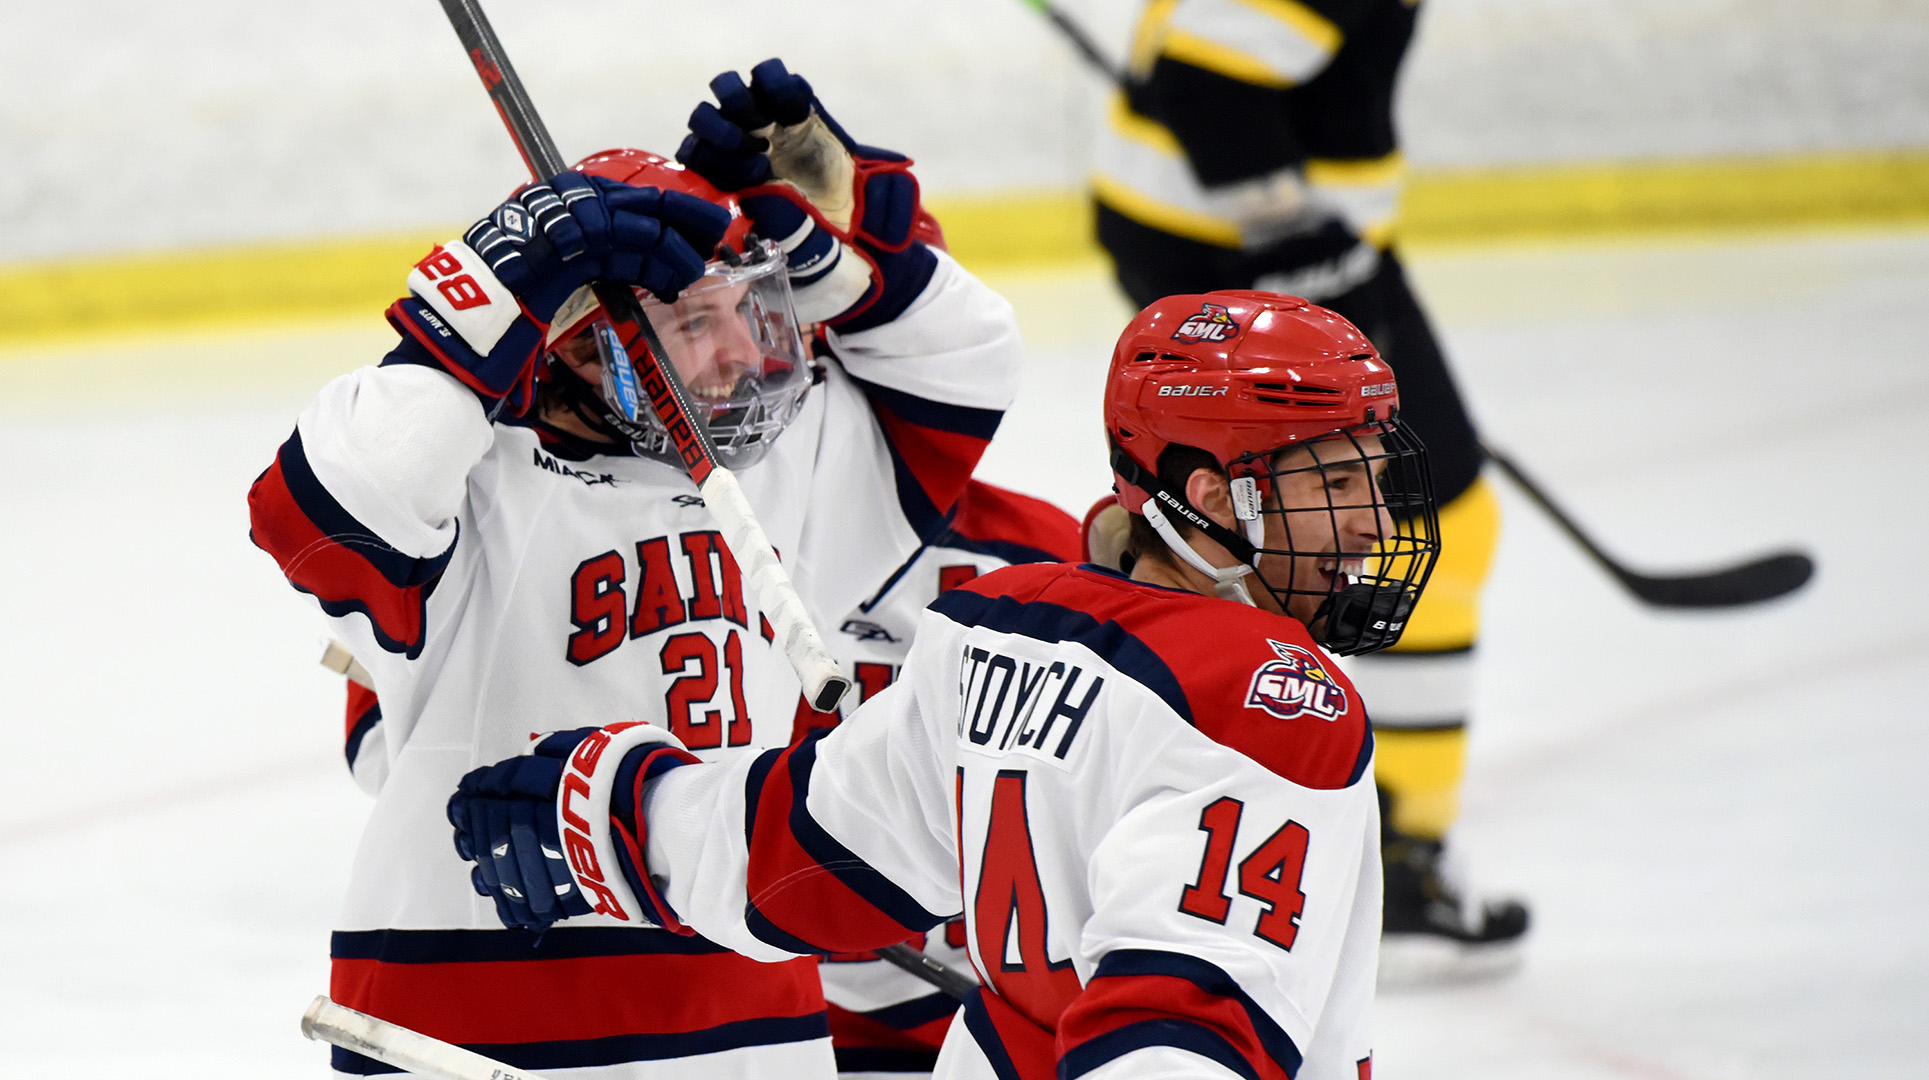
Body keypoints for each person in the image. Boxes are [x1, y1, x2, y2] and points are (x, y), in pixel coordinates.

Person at [250, 59, 1046, 1079]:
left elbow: (967, 360)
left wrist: (827, 258)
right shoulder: (474, 485)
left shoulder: (780, 475)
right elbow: (317, 509)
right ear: (580, 344)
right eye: (694, 322)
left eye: (746, 312)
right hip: (471, 1022)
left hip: (753, 1023)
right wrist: (493, 286)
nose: (738, 357)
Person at [446, 290, 1443, 1080]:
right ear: (1212, 496)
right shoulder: (1271, 705)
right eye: (1332, 484)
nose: (1371, 523)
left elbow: (810, 850)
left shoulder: (997, 624)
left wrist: (605, 806)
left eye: (1368, 478)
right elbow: (1178, 1035)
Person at [1087, 0, 1530, 970]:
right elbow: (1205, 79)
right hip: (1247, 255)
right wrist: (1288, 227)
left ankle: (1298, 822)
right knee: (1380, 523)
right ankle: (1367, 849)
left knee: (1303, 526)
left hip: (1268, 239)